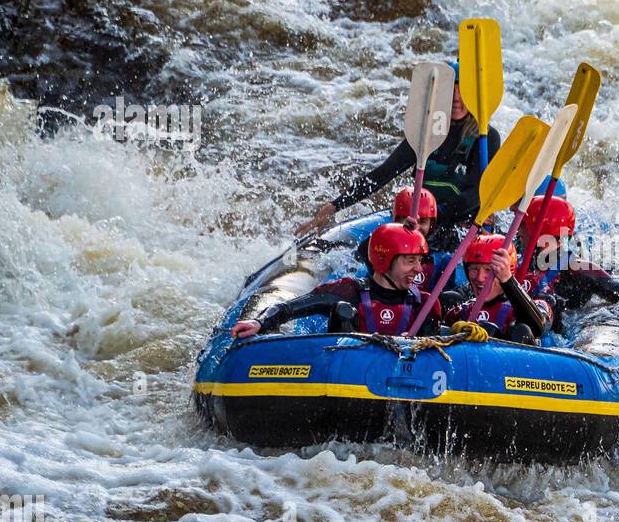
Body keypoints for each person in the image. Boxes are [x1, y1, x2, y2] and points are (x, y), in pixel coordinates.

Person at [295, 62, 502, 238]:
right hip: (419, 222)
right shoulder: (425, 133)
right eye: (451, 89)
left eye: (463, 89)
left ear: (474, 95)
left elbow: (475, 196)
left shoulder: (486, 139)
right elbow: (383, 173)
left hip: (459, 227)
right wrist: (334, 206)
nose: (456, 98)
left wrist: (431, 218)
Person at [230, 223, 440, 339]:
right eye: (410, 261)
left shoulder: (426, 304)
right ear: (384, 260)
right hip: (346, 381)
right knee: (342, 310)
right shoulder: (348, 291)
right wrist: (259, 322)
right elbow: (290, 308)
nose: (418, 269)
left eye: (420, 261)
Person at [517, 195, 619, 325]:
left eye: (522, 225)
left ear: (542, 232)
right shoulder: (521, 258)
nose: (517, 230)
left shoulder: (579, 270)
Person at [441, 234, 552, 344]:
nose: (480, 278)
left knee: (522, 331)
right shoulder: (460, 312)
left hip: (511, 359)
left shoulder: (532, 307)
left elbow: (539, 328)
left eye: (489, 270)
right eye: (474, 269)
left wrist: (508, 280)